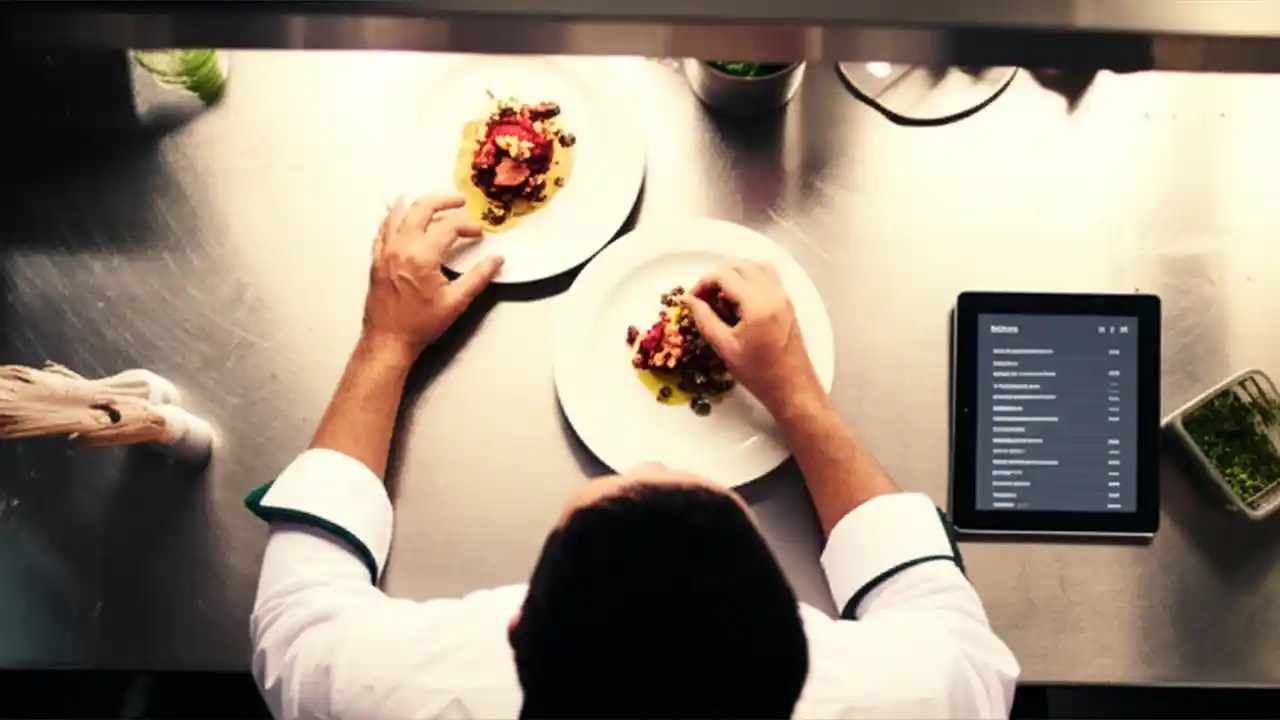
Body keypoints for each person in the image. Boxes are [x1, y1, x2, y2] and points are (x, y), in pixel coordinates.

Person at [246, 195, 1019, 719]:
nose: (645, 466)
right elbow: (951, 631)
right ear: (801, 643)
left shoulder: (421, 686)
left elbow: (294, 624)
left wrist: (386, 340)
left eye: (612, 494)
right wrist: (798, 398)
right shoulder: (905, 695)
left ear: (514, 628)